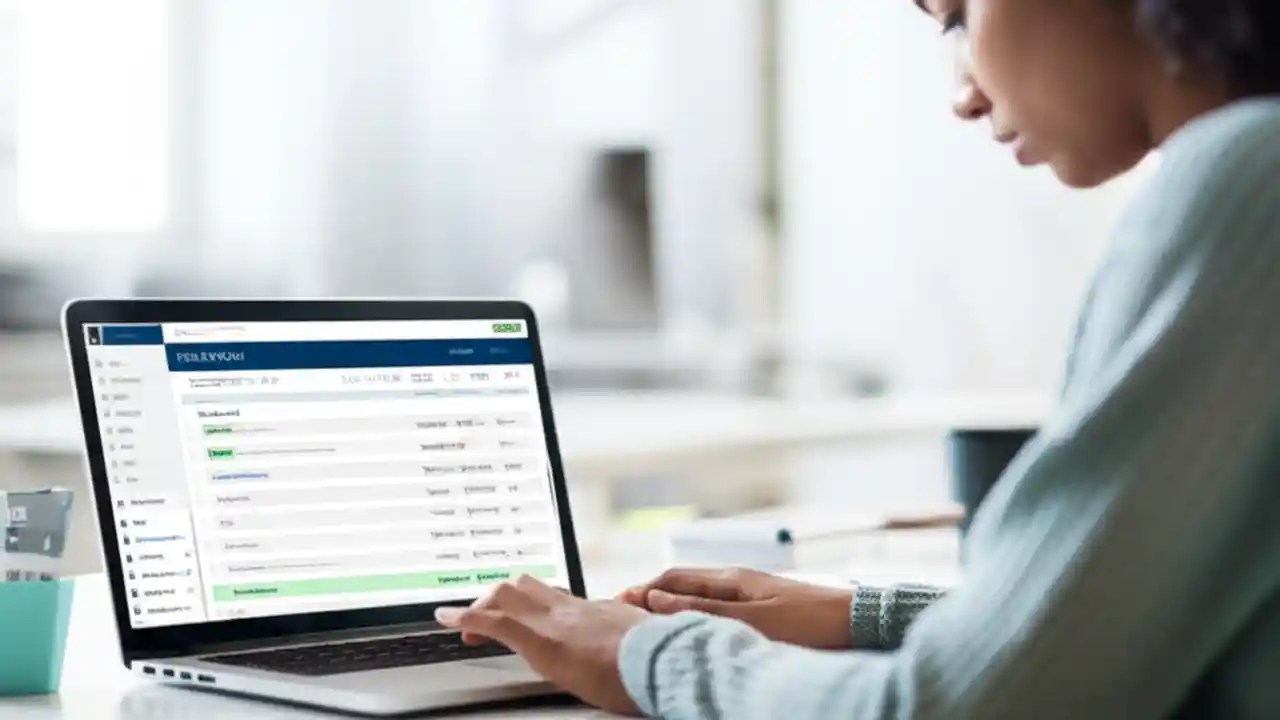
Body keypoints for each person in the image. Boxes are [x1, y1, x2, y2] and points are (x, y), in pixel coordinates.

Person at [434, 0, 1280, 716]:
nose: (962, 92)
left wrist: (647, 655)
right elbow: (1128, 635)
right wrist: (863, 615)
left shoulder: (1246, 181)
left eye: (955, 17)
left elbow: (954, 706)